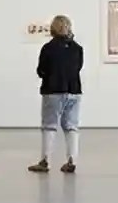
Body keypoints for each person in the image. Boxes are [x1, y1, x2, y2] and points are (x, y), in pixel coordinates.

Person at [29, 15, 84, 174]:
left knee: (49, 126)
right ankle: (72, 160)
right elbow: (78, 68)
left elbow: (41, 70)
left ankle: (45, 160)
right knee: (71, 127)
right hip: (74, 91)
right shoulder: (77, 48)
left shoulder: (48, 48)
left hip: (53, 91)